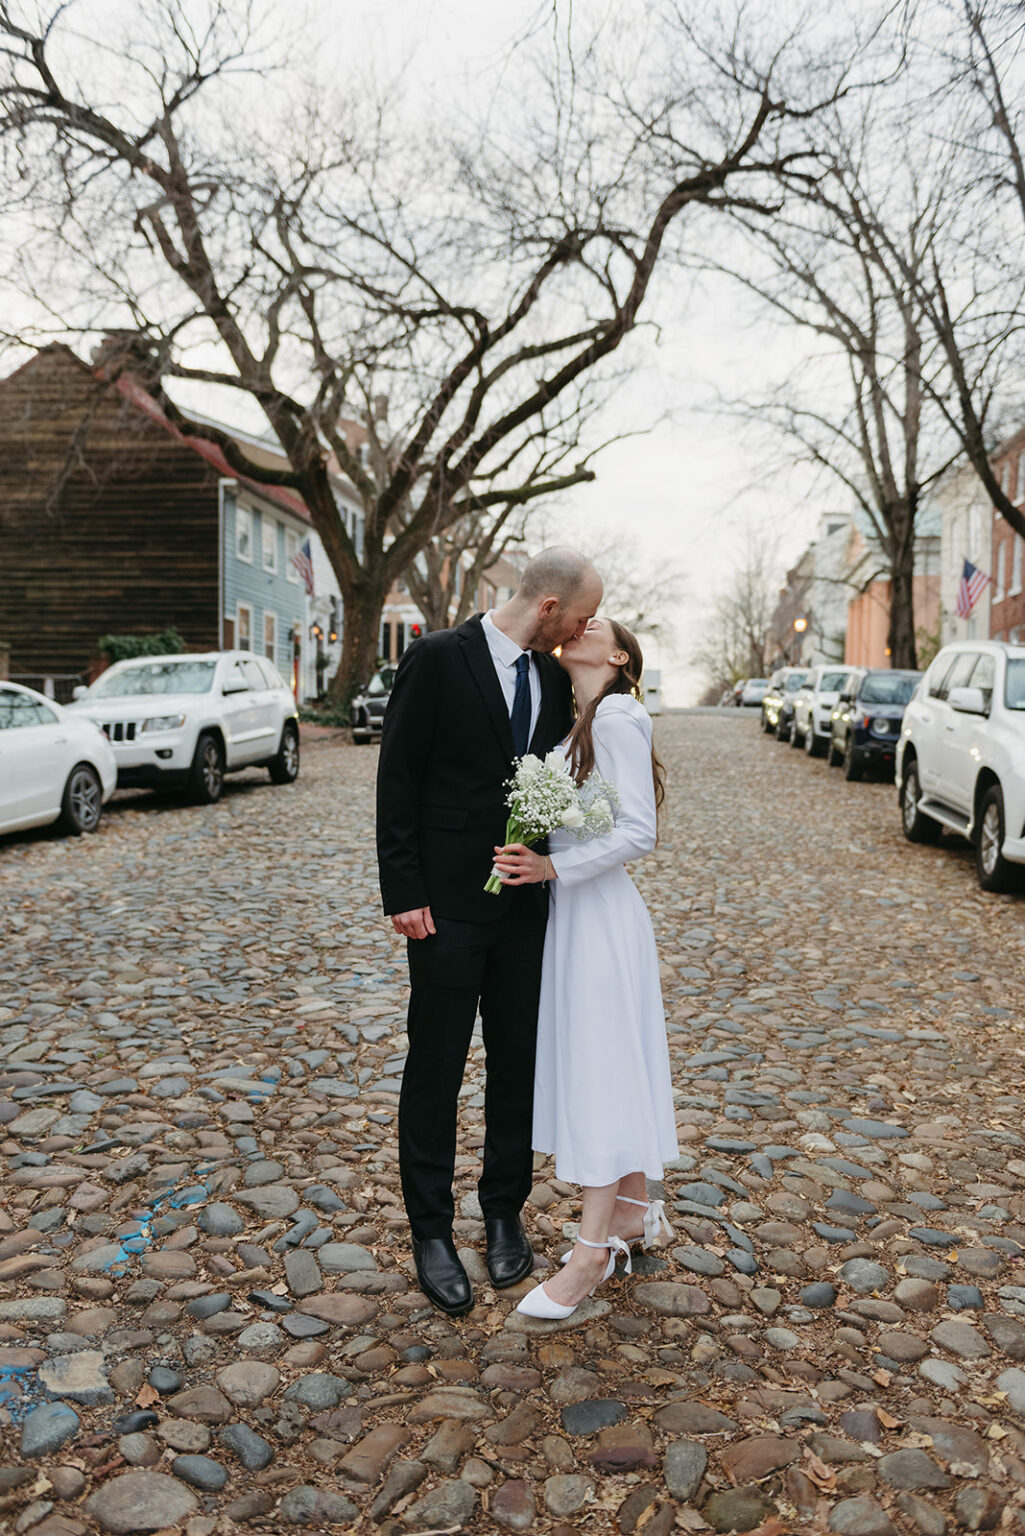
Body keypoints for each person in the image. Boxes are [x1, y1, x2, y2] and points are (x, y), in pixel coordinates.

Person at [376, 548, 604, 1316]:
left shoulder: (549, 679)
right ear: (546, 609)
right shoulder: (437, 657)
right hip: (441, 904)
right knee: (435, 1065)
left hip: (522, 909)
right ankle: (431, 1230)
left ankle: (502, 1211)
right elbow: (398, 777)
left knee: (516, 1064)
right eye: (577, 619)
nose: (581, 633)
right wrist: (403, 891)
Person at [491, 617, 679, 1320]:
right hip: (578, 918)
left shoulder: (619, 718)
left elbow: (639, 831)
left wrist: (549, 864)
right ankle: (634, 1214)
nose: (578, 628)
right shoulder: (584, 721)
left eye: (594, 625)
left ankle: (590, 1251)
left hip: (600, 920)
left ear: (620, 656)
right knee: (607, 1064)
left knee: (600, 1072)